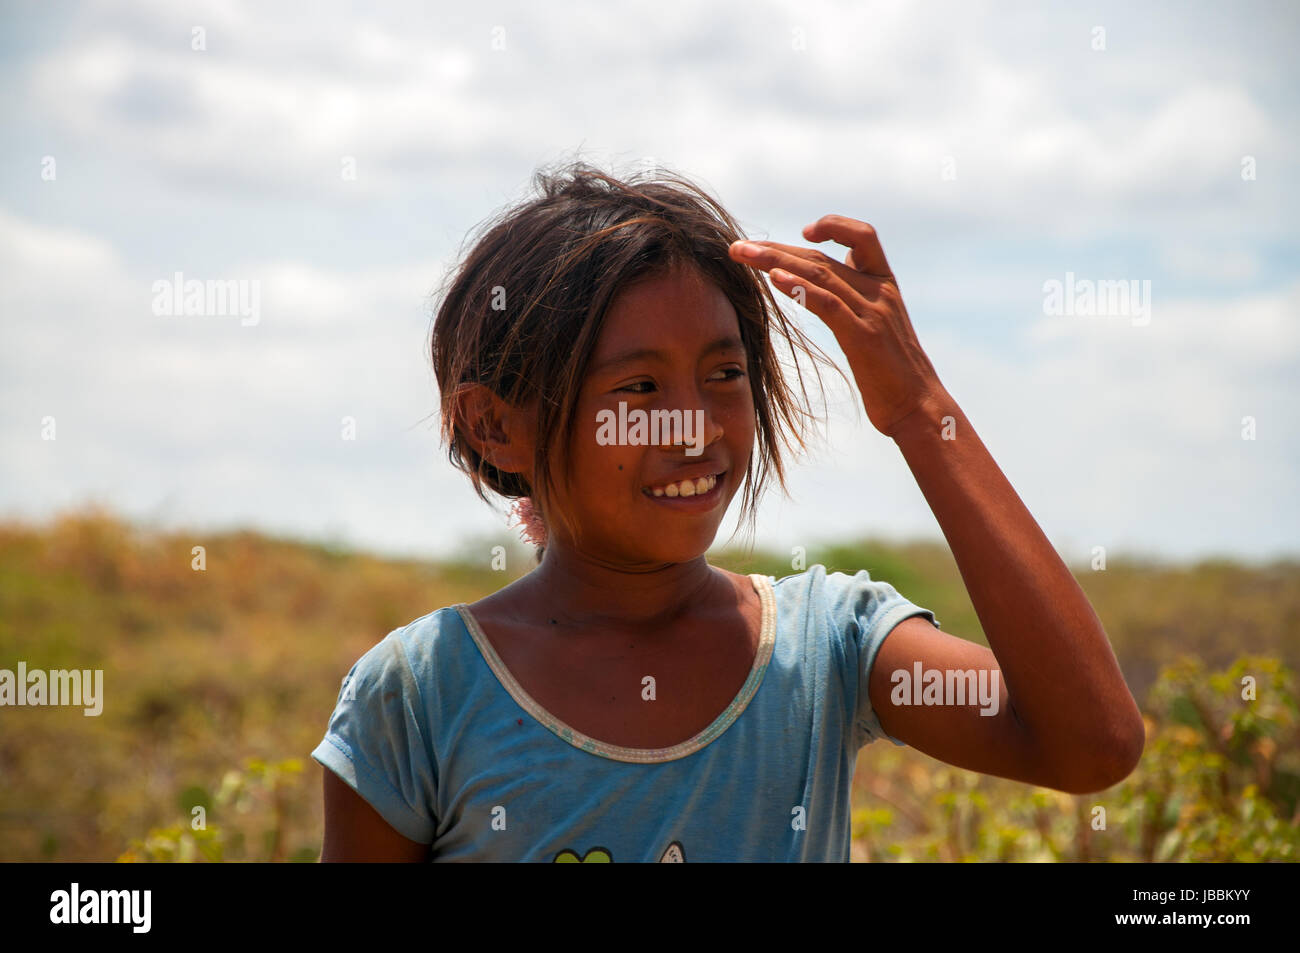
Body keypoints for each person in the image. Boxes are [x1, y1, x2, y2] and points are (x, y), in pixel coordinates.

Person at [313, 159, 1145, 862]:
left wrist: (921, 411)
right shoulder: (420, 695)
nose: (697, 426)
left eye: (725, 375)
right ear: (496, 426)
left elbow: (1092, 742)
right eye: (639, 388)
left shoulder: (830, 648)